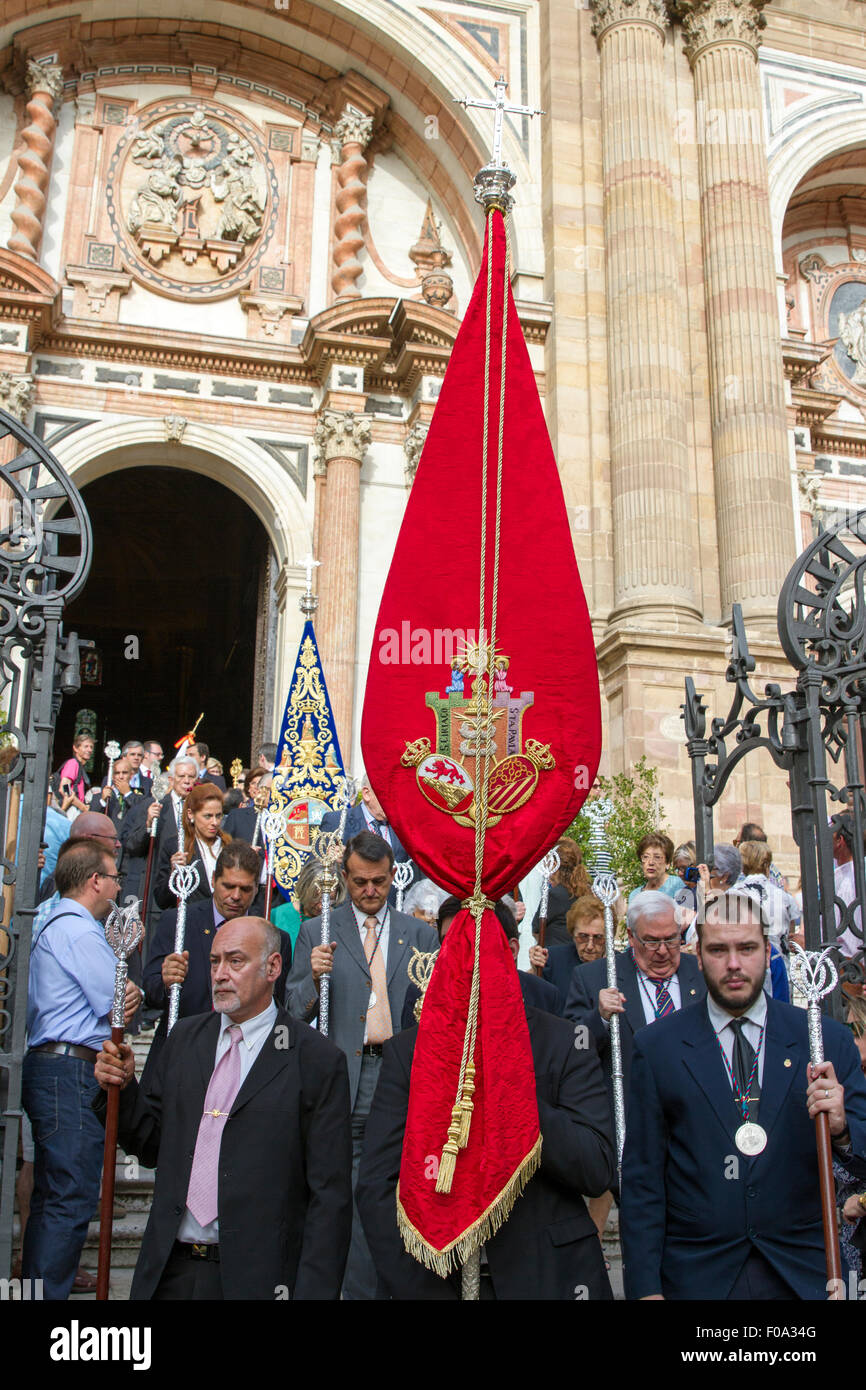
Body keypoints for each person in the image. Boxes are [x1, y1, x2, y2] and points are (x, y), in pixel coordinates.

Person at [621, 889, 866, 1300]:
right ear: (698, 956)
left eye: (747, 948)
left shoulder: (824, 1041)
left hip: (804, 1275)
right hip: (697, 1276)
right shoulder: (657, 1046)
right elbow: (643, 1179)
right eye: (718, 950)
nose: (733, 964)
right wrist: (646, 1289)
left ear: (767, 950)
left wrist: (841, 1129)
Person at [93, 916, 353, 1299]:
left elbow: (329, 1199)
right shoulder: (184, 1038)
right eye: (214, 962)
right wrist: (123, 1086)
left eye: (235, 961)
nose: (220, 974)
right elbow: (151, 1144)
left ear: (273, 967)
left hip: (259, 1279)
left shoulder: (315, 1059)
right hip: (171, 1272)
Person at [357, 999, 616, 1299]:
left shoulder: (563, 1040)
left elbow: (596, 1168)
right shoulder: (409, 1050)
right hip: (438, 1283)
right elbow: (377, 1187)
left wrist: (512, 1085)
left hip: (550, 1278)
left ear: (512, 951)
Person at [284, 829, 438, 1299]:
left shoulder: (420, 933)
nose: (370, 891)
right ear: (344, 879)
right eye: (359, 882)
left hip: (400, 1077)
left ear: (394, 876)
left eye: (378, 881)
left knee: (397, 1192)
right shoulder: (319, 931)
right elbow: (292, 1009)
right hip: (345, 1078)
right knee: (350, 1193)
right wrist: (312, 976)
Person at [21, 838, 142, 1300]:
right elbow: (116, 1000)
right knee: (68, 1195)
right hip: (68, 1070)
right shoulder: (77, 929)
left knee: (58, 1195)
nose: (116, 887)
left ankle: (37, 1290)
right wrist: (128, 989)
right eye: (114, 878)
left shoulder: (60, 924)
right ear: (95, 881)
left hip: (59, 1065)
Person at [141, 839, 290, 1083]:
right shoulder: (179, 922)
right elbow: (151, 989)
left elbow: (279, 1004)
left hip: (243, 1062)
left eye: (245, 889)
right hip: (181, 1059)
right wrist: (167, 981)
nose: (235, 896)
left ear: (257, 888)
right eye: (228, 886)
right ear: (212, 880)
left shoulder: (274, 939)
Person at [565, 891, 707, 1115]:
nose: (662, 951)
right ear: (631, 937)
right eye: (651, 941)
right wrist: (599, 1018)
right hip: (630, 1116)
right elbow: (573, 1045)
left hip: (695, 1112)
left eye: (671, 939)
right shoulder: (595, 978)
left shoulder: (701, 973)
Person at [152, 782, 229, 910]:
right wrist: (174, 874)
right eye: (208, 816)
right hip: (190, 922)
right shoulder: (176, 847)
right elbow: (161, 900)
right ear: (190, 814)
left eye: (218, 816)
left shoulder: (229, 847)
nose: (214, 822)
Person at [529, 894, 607, 999]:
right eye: (583, 937)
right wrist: (535, 969)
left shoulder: (619, 965)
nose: (590, 946)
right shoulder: (553, 959)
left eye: (598, 937)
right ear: (572, 934)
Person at [531, 838, 592, 948]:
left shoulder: (554, 895)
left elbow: (536, 929)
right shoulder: (588, 892)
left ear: (554, 865)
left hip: (556, 958)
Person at [628, 832, 681, 905]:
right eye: (646, 857)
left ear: (668, 863)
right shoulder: (634, 895)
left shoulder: (678, 885)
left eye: (657, 857)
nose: (650, 862)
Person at [57, 733, 94, 813]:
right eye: (86, 746)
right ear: (75, 748)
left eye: (91, 747)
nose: (90, 750)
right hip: (70, 809)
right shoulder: (73, 763)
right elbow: (64, 787)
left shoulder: (79, 766)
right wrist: (83, 807)